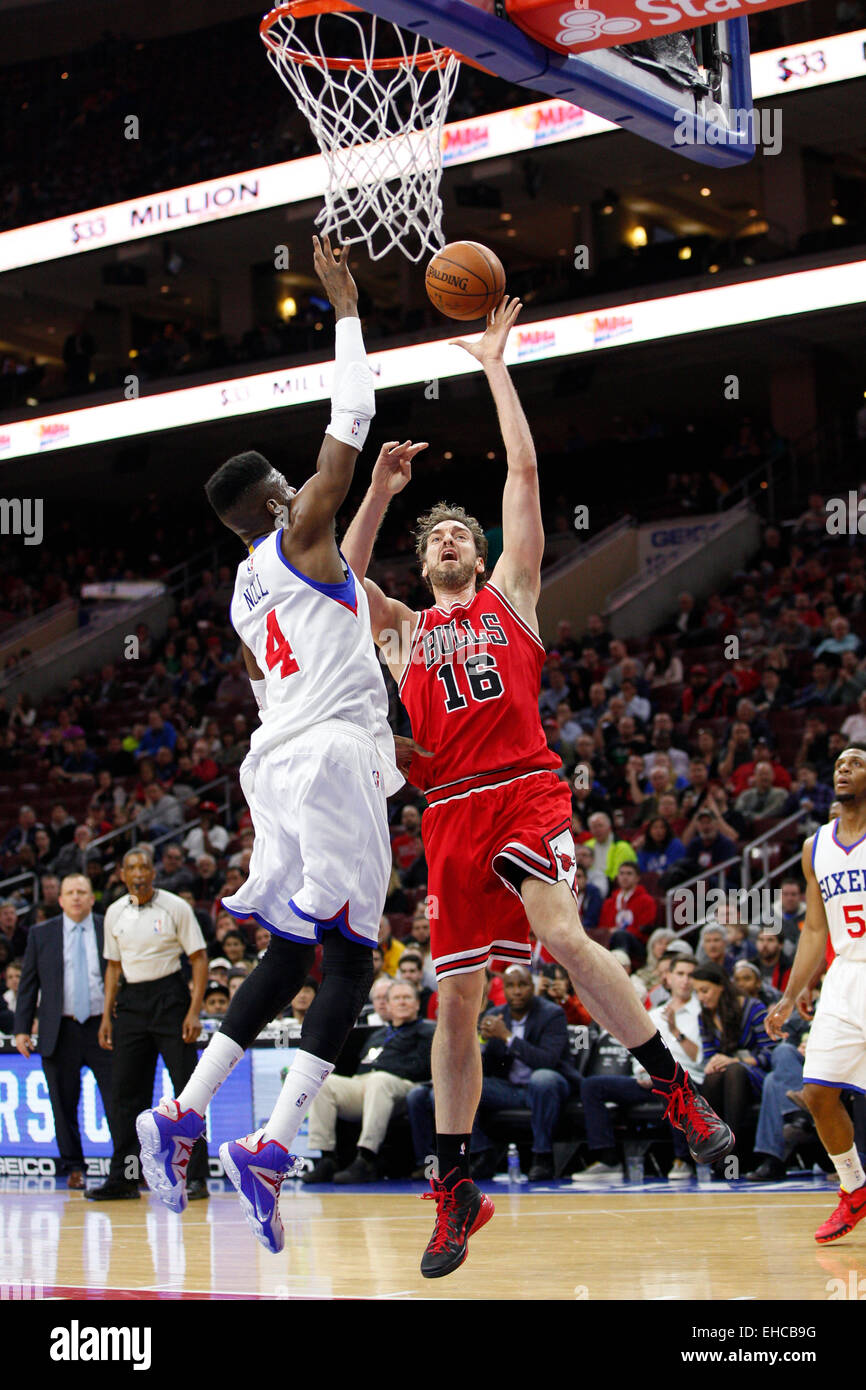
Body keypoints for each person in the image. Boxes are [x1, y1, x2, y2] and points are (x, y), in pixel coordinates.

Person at [341, 295, 733, 1278]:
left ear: (480, 554)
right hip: (448, 813)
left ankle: (674, 1088)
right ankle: (452, 1187)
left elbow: (520, 473)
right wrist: (385, 487)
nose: (446, 543)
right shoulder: (398, 630)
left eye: (457, 535)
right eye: (432, 536)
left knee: (561, 935)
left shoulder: (512, 596)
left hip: (521, 787)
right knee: (456, 1004)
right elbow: (341, 572)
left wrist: (492, 366)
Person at [135, 235, 416, 1255]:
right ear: (270, 503)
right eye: (293, 489)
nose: (309, 490)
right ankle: (269, 1137)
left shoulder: (248, 584)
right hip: (333, 757)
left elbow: (344, 580)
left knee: (294, 945)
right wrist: (342, 306)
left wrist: (376, 496)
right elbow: (350, 421)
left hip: (280, 766)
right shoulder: (298, 529)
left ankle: (184, 1112)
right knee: (349, 958)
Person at [767, 745, 866, 1241]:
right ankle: (854, 1190)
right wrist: (790, 995)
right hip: (846, 975)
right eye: (840, 765)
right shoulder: (815, 847)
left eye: (857, 763)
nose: (844, 769)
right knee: (818, 1091)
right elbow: (812, 931)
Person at [87, 847, 210, 1201]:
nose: (138, 873)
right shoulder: (114, 912)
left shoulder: (175, 907)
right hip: (131, 1005)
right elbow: (113, 967)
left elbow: (199, 959)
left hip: (171, 999)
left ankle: (197, 1176)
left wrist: (194, 1011)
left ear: (153, 872)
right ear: (123, 874)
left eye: (143, 866)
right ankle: (126, 1178)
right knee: (126, 1095)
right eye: (131, 867)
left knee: (188, 1091)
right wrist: (107, 1015)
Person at [13, 874, 114, 1191]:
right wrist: (20, 1029)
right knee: (63, 1104)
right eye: (70, 892)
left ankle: (128, 1167)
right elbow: (28, 984)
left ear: (92, 897)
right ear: (60, 899)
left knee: (119, 1102)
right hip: (60, 1028)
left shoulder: (108, 927)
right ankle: (74, 1167)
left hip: (104, 1027)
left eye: (82, 892)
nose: (76, 898)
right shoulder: (42, 934)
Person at [575, 954, 704, 1181]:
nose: (685, 980)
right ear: (668, 978)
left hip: (687, 1080)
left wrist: (676, 1031)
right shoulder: (653, 1014)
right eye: (680, 974)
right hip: (649, 1079)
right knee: (592, 1086)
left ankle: (683, 1160)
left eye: (691, 975)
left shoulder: (702, 1013)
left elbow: (698, 1059)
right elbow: (638, 1048)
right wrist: (642, 1071)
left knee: (673, 1084)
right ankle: (608, 1160)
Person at [302, 979, 434, 1184]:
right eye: (396, 998)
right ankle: (326, 1158)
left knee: (379, 1081)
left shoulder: (427, 1031)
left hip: (404, 1086)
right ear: (388, 1005)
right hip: (365, 1084)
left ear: (417, 1004)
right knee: (323, 1083)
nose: (402, 1002)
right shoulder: (378, 1034)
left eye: (407, 998)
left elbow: (424, 1068)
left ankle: (366, 1158)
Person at [468, 964, 576, 1183]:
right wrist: (483, 1041)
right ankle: (483, 1153)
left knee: (542, 1078)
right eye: (511, 986)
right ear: (503, 989)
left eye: (523, 985)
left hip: (550, 1085)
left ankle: (542, 1157)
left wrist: (507, 1037)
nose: (516, 991)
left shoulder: (551, 1014)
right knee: (465, 1086)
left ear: (532, 986)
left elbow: (547, 1061)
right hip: (511, 1089)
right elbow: (486, 1070)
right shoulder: (494, 1015)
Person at [692, 963, 775, 1174]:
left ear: (721, 986)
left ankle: (732, 1151)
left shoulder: (753, 1007)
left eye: (705, 990)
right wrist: (714, 1063)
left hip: (756, 1075)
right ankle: (717, 1150)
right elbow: (711, 1055)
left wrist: (735, 1061)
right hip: (726, 1078)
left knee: (734, 1071)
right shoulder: (704, 1017)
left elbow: (769, 1053)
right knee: (712, 1077)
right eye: (697, 992)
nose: (701, 997)